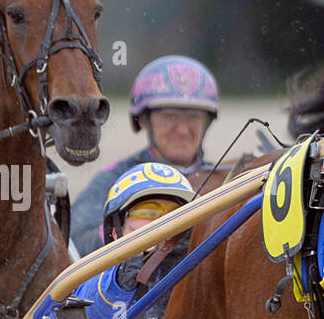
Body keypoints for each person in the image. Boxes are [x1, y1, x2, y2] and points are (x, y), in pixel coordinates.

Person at [46, 163, 194, 319]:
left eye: (175, 213)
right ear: (115, 230)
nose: (162, 220)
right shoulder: (102, 273)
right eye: (148, 212)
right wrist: (118, 282)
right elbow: (80, 314)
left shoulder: (198, 261)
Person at [70, 55, 218, 256]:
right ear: (143, 121)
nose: (183, 129)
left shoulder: (226, 181)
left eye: (193, 117)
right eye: (170, 116)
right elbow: (77, 240)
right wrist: (129, 229)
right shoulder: (117, 177)